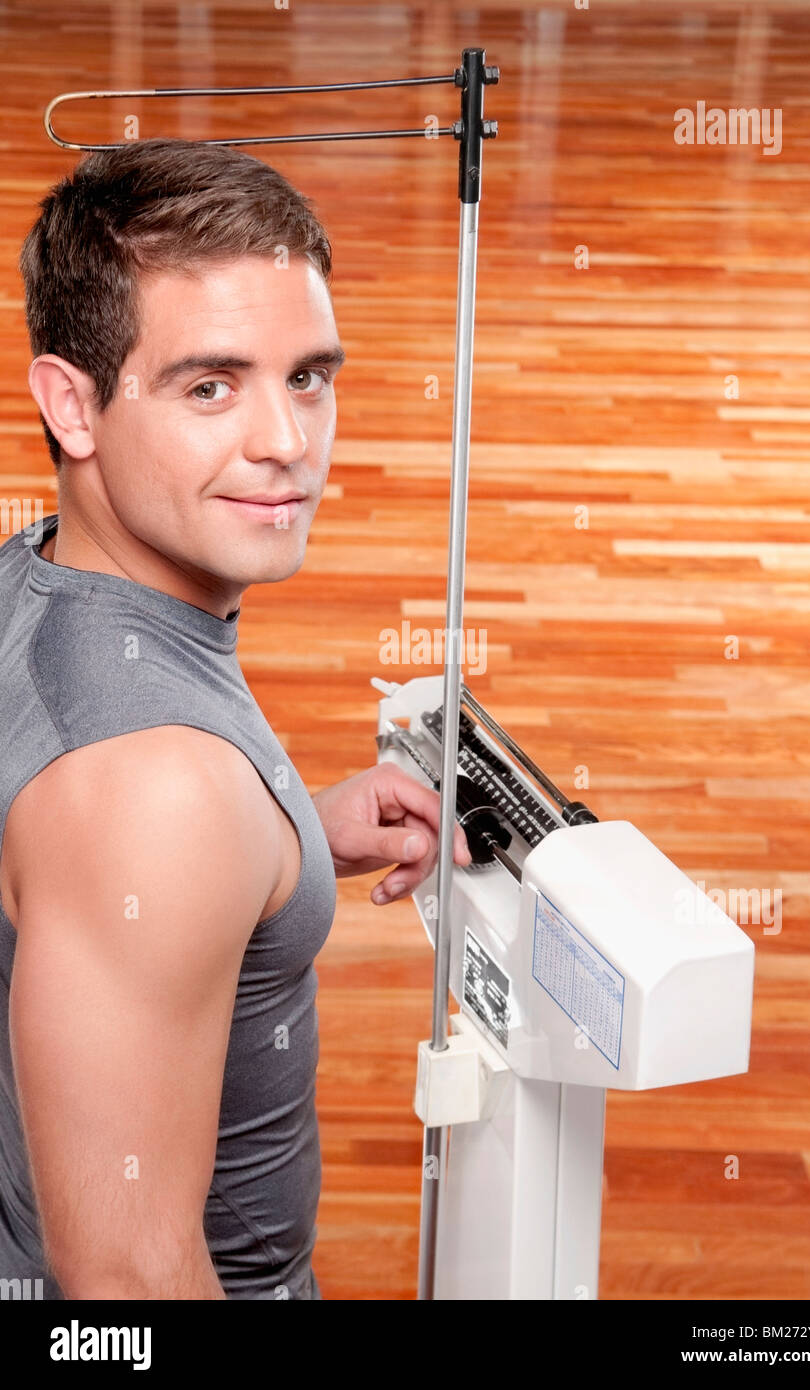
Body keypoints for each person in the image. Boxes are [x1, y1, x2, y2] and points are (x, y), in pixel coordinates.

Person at [0, 137, 471, 1300]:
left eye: (307, 375)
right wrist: (201, 837)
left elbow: (62, 868)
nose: (285, 442)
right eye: (209, 385)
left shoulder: (35, 583)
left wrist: (288, 837)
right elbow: (120, 1285)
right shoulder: (161, 793)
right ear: (72, 403)